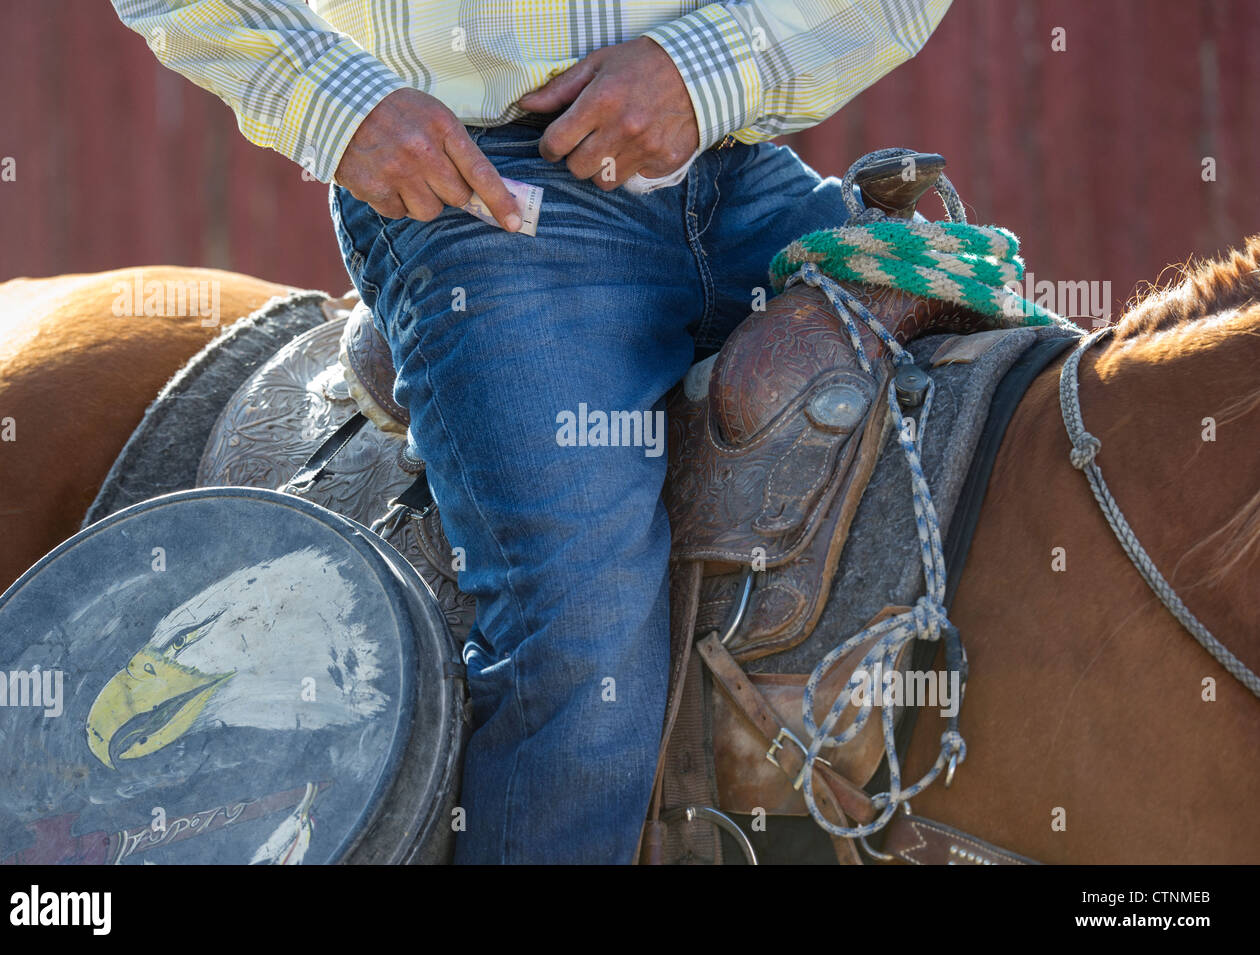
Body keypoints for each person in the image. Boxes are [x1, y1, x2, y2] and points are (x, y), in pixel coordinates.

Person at [112, 0, 952, 864]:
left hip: (742, 167)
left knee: (1044, 435)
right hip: (490, 191)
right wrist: (341, 102)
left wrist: (708, 71)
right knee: (579, 656)